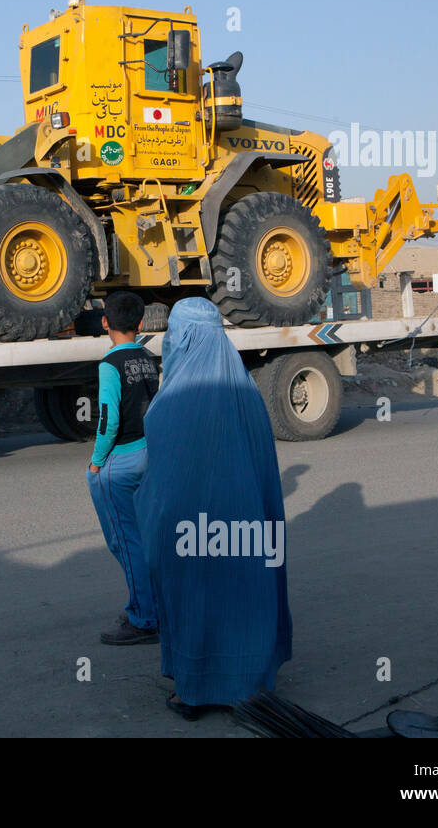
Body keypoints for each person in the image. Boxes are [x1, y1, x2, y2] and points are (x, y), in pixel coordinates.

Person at [135, 297, 292, 719]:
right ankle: (249, 684)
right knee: (243, 596)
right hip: (245, 531)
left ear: (181, 339)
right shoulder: (249, 395)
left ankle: (194, 692)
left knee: (196, 600)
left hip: (189, 533)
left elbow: (161, 485)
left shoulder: (169, 405)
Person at [86, 292, 160, 645]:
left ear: (105, 323)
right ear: (141, 324)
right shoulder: (148, 357)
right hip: (150, 452)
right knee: (145, 539)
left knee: (125, 542)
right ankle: (152, 606)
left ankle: (144, 617)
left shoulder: (109, 365)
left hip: (121, 461)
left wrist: (96, 462)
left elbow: (107, 420)